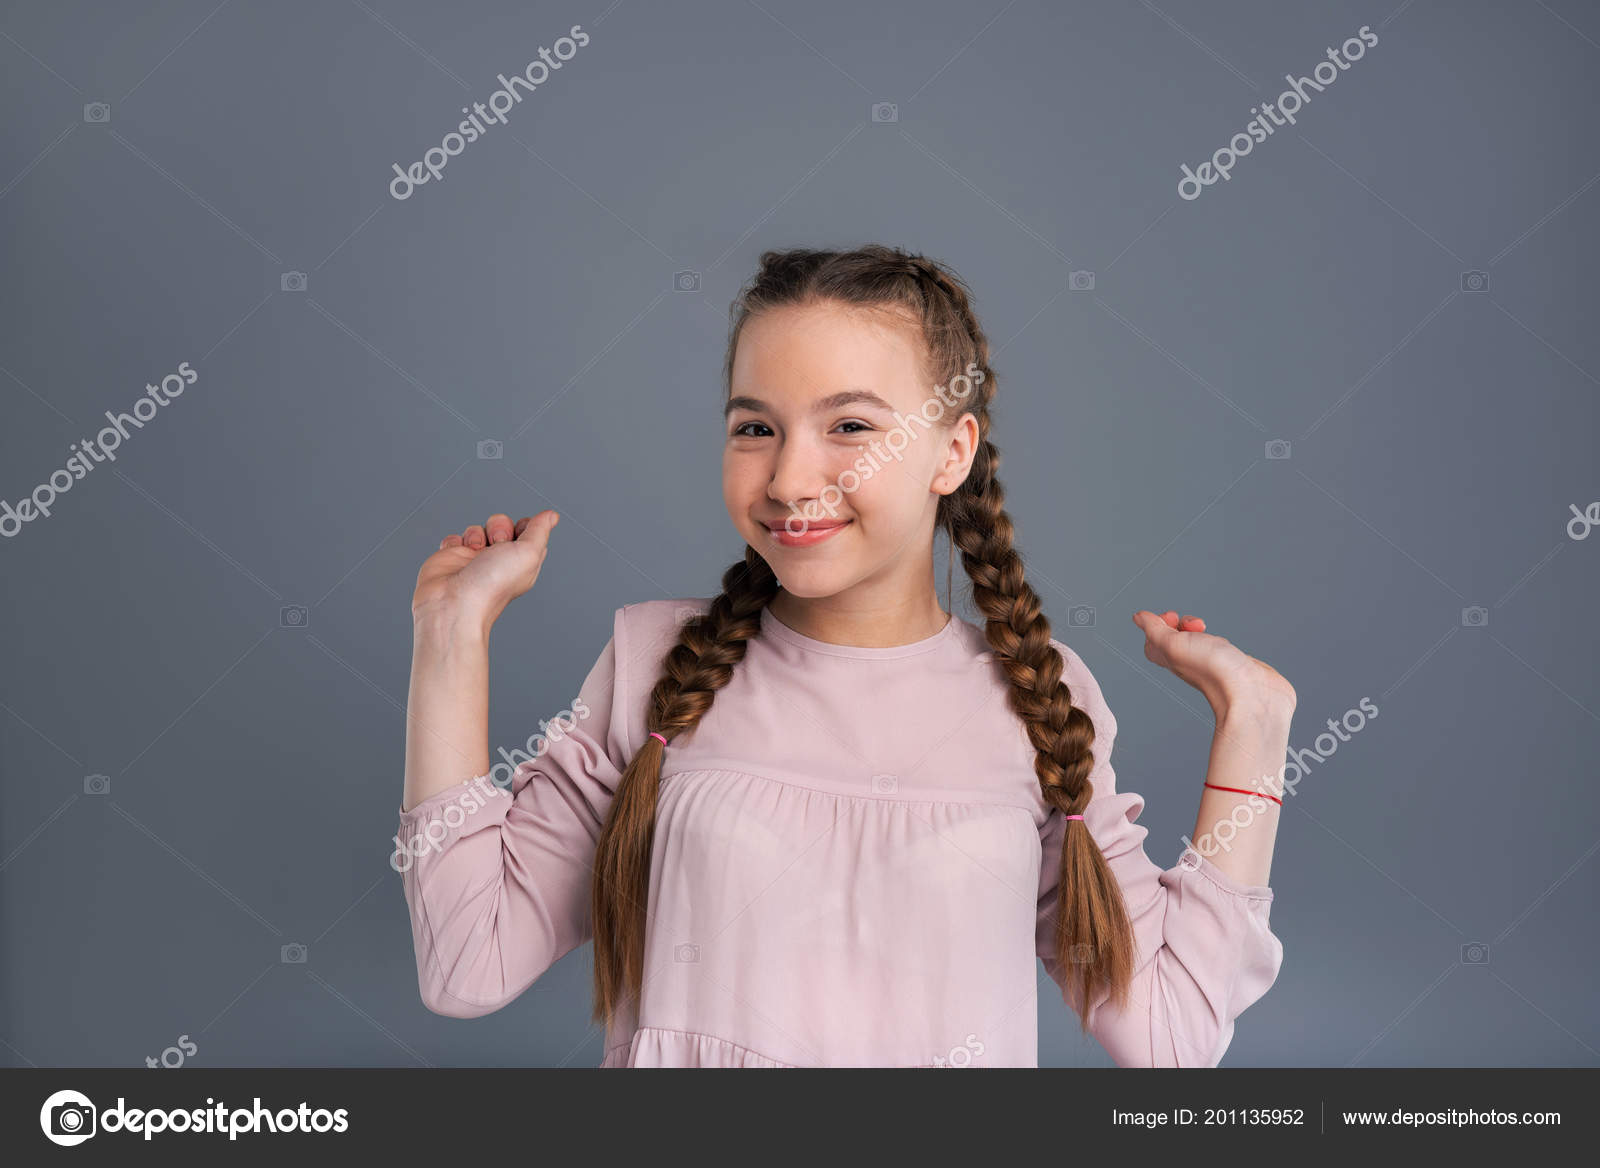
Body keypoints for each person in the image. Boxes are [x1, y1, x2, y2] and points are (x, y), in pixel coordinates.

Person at [396, 244, 1295, 1067]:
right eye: (755, 427)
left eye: (852, 428)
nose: (788, 480)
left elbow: (1171, 1034)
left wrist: (1253, 726)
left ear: (952, 452)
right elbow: (468, 963)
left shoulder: (1041, 703)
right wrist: (449, 635)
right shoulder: (652, 661)